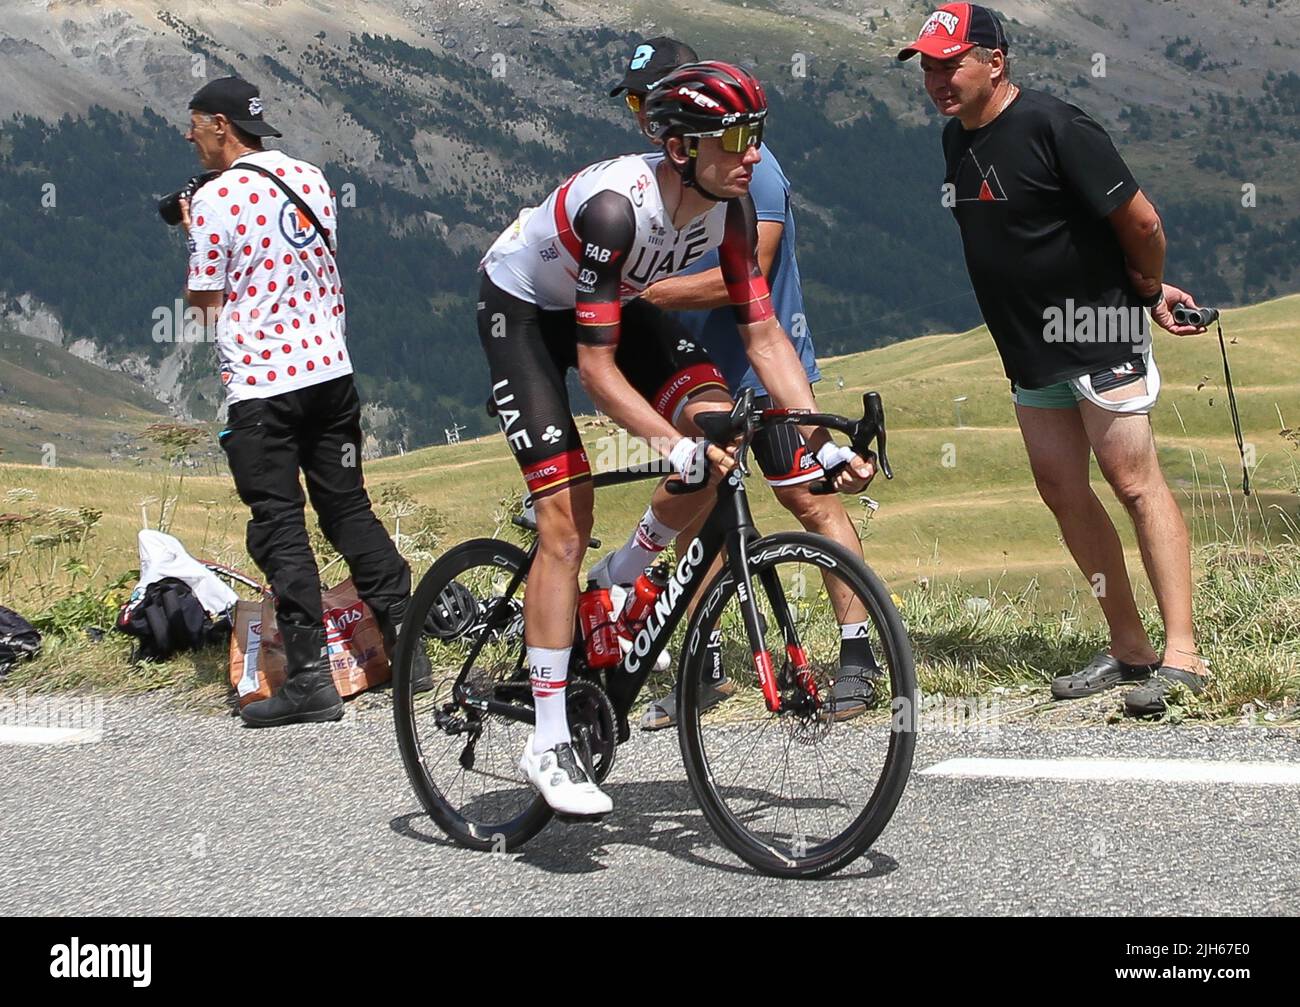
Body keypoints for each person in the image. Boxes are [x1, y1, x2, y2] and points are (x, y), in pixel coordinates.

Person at [477, 62, 872, 817]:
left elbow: (763, 334)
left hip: (607, 306)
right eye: (735, 137)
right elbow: (594, 369)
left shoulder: (728, 208)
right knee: (566, 520)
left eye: (756, 133)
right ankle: (549, 737)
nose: (752, 153)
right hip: (523, 312)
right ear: (683, 147)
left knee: (717, 420)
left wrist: (819, 442)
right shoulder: (615, 211)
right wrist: (667, 443)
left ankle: (624, 572)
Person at [898, 5, 1210, 715]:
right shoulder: (957, 139)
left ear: (995, 61)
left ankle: (1184, 654)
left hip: (1099, 333)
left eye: (951, 63)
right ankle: (1130, 646)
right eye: (928, 65)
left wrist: (1150, 290)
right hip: (1029, 350)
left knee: (1134, 483)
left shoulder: (1055, 125)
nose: (937, 78)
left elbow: (1143, 221)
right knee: (1063, 490)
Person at [607, 37, 883, 731]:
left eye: (653, 99)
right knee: (698, 512)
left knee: (812, 502)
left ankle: (858, 653)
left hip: (763, 363)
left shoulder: (744, 164)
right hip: (696, 374)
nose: (644, 116)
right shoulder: (662, 172)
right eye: (636, 102)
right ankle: (706, 664)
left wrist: (644, 295)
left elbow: (749, 268)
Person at [178, 76, 422, 727]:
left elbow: (204, 307)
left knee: (278, 524)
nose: (189, 134)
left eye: (195, 123)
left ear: (222, 127)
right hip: (331, 374)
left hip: (265, 388)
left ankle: (310, 678)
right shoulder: (309, 178)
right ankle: (408, 644)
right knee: (348, 507)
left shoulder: (215, 201)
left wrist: (193, 226)